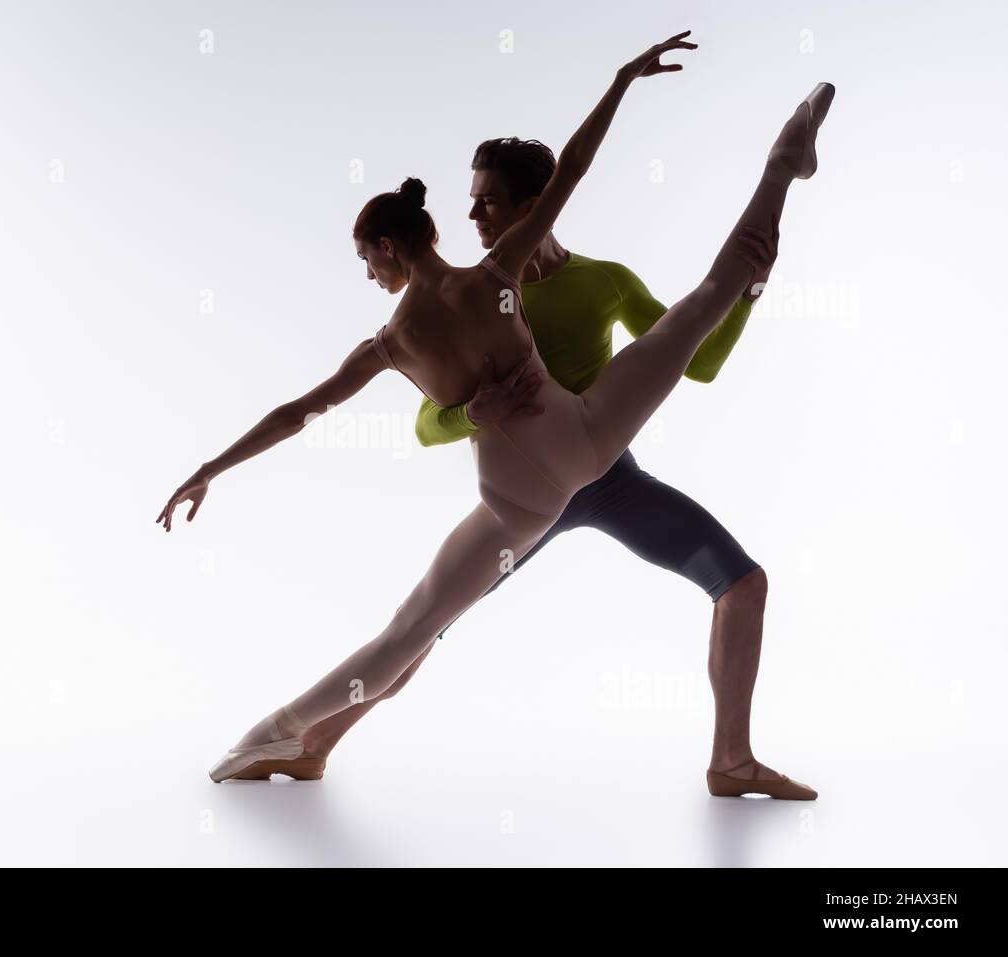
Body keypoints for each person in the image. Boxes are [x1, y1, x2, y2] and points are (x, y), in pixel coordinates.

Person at [158, 31, 831, 800]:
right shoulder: (496, 276)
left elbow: (299, 412)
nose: (366, 274)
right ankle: (782, 165)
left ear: (386, 247)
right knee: (713, 292)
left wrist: (211, 467)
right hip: (586, 436)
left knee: (408, 630)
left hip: (521, 499)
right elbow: (577, 170)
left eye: (364, 260)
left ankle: (274, 730)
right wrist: (621, 81)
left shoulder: (392, 342)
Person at [290, 137, 787, 796]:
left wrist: (745, 293)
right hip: (522, 507)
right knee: (423, 628)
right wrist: (476, 411)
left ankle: (731, 760)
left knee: (742, 583)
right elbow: (424, 425)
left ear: (533, 206)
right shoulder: (476, 294)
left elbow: (698, 361)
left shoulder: (603, 281)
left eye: (486, 202)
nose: (471, 220)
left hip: (610, 481)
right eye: (471, 204)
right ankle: (314, 742)